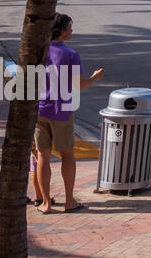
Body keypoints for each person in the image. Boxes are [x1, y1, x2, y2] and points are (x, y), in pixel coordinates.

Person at [33, 14, 104, 214]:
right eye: (70, 27)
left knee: (42, 156)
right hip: (61, 110)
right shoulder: (70, 54)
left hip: (39, 108)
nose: (72, 30)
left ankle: (45, 203)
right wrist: (94, 78)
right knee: (67, 155)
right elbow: (77, 85)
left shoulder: (39, 50)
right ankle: (69, 201)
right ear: (62, 30)